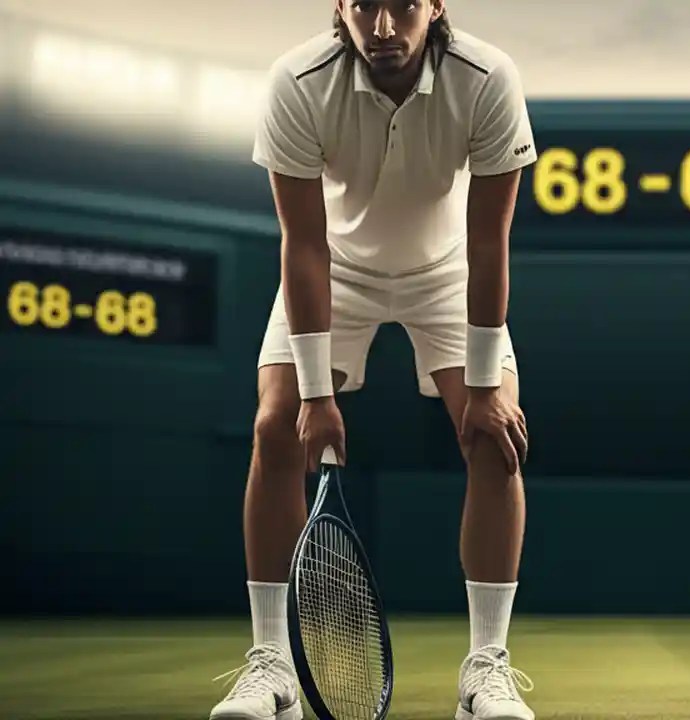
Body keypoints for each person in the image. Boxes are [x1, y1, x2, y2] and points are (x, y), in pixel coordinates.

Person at [210, 1, 539, 719]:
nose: (384, 27)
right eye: (364, 5)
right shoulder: (297, 81)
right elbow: (302, 242)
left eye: (403, 5)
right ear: (340, 8)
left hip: (449, 272)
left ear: (436, 6)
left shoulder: (488, 79)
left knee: (495, 438)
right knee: (274, 428)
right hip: (336, 271)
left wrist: (484, 387)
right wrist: (314, 397)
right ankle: (271, 664)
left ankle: (487, 668)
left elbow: (490, 242)